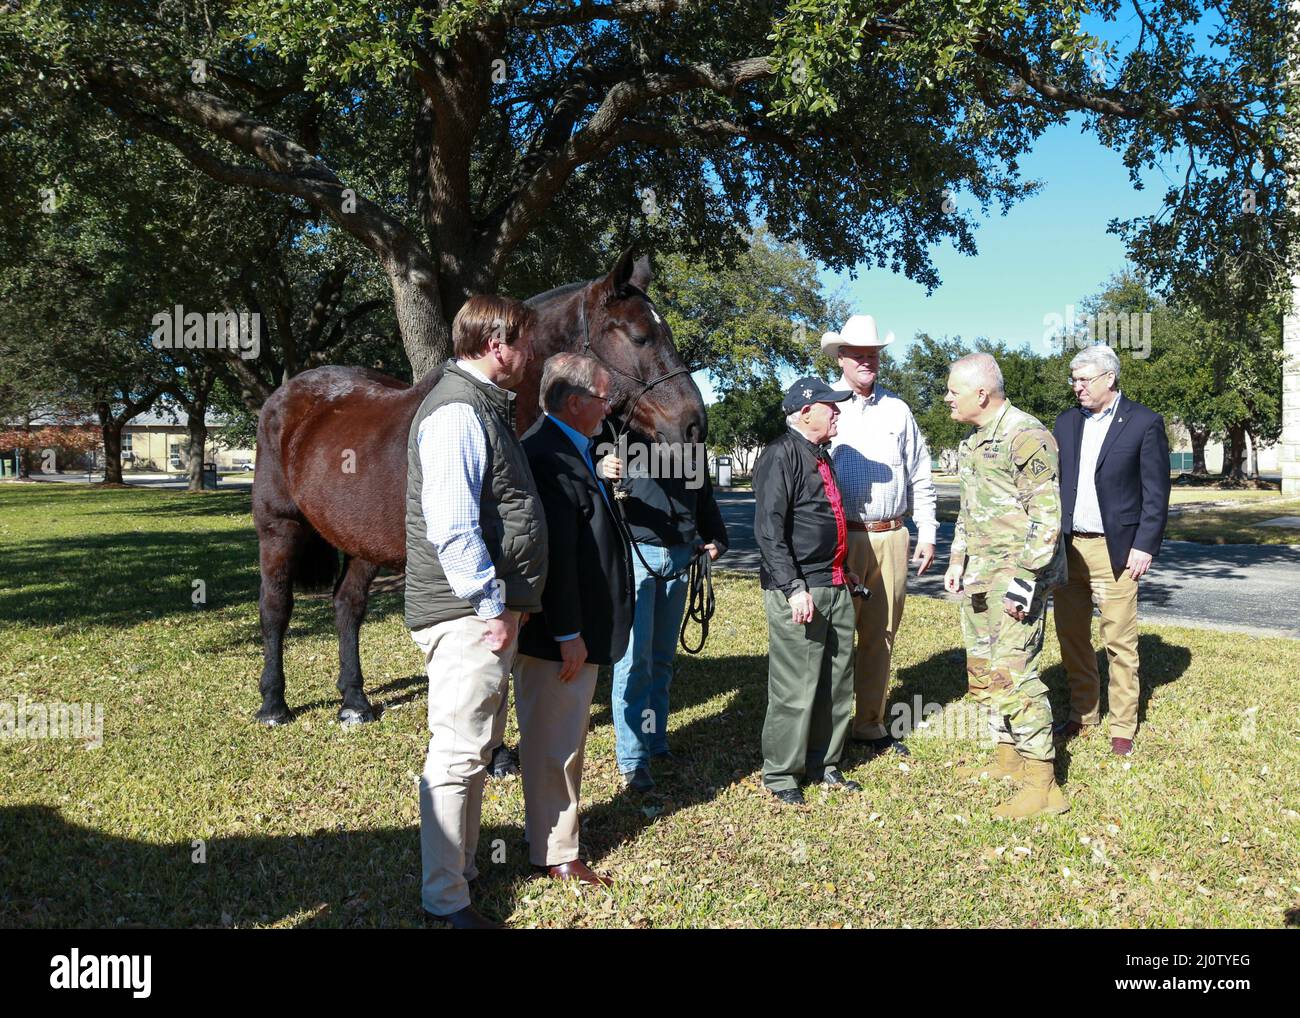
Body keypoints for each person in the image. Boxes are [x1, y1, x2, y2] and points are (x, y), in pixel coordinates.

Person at [406, 295, 547, 929]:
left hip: (483, 613)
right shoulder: (458, 411)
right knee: (459, 752)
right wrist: (492, 604)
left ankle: (460, 872)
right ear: (496, 343)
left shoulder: (481, 406)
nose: (533, 354)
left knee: (478, 746)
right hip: (469, 613)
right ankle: (445, 903)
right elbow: (454, 527)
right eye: (526, 342)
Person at [515, 352, 632, 886]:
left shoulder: (573, 448)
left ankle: (554, 836)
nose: (610, 407)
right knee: (554, 745)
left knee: (564, 739)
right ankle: (556, 852)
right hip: (559, 634)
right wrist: (568, 633)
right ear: (575, 402)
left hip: (576, 628)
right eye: (604, 397)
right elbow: (555, 555)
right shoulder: (547, 455)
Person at [942, 353, 1069, 819]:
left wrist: (1027, 578)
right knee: (983, 668)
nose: (947, 397)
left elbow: (1047, 513)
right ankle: (1008, 759)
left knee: (1014, 674)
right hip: (979, 574)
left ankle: (1043, 785)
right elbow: (969, 509)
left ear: (982, 393)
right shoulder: (973, 442)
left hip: (1016, 575)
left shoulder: (1025, 434)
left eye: (954, 390)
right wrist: (957, 559)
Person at [823, 315, 939, 758]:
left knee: (881, 633)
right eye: (860, 354)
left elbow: (920, 475)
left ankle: (869, 724)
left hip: (892, 535)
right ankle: (830, 731)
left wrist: (926, 531)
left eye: (874, 354)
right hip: (841, 537)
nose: (868, 361)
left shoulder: (898, 410)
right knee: (836, 635)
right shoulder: (825, 406)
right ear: (842, 358)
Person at [1051, 344, 1170, 756]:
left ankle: (1122, 726)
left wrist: (1144, 545)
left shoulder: (1143, 423)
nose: (1076, 387)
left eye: (1084, 379)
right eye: (1074, 379)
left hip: (1115, 550)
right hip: (1068, 549)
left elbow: (1156, 493)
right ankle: (1083, 713)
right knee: (1071, 636)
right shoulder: (1065, 424)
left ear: (1109, 379)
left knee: (1119, 641)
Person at [598, 431, 728, 792]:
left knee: (661, 660)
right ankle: (633, 758)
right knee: (634, 661)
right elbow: (593, 480)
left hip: (681, 558)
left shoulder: (690, 449)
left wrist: (717, 538)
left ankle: (655, 742)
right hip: (638, 557)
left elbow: (703, 500)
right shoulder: (622, 438)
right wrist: (600, 468)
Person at [752, 376, 862, 806]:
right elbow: (769, 531)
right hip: (801, 590)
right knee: (796, 685)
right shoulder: (780, 455)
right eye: (829, 406)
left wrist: (845, 569)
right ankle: (781, 773)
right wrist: (793, 587)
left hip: (833, 583)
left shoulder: (820, 454)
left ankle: (825, 763)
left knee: (836, 681)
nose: (836, 412)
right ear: (804, 412)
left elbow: (824, 519)